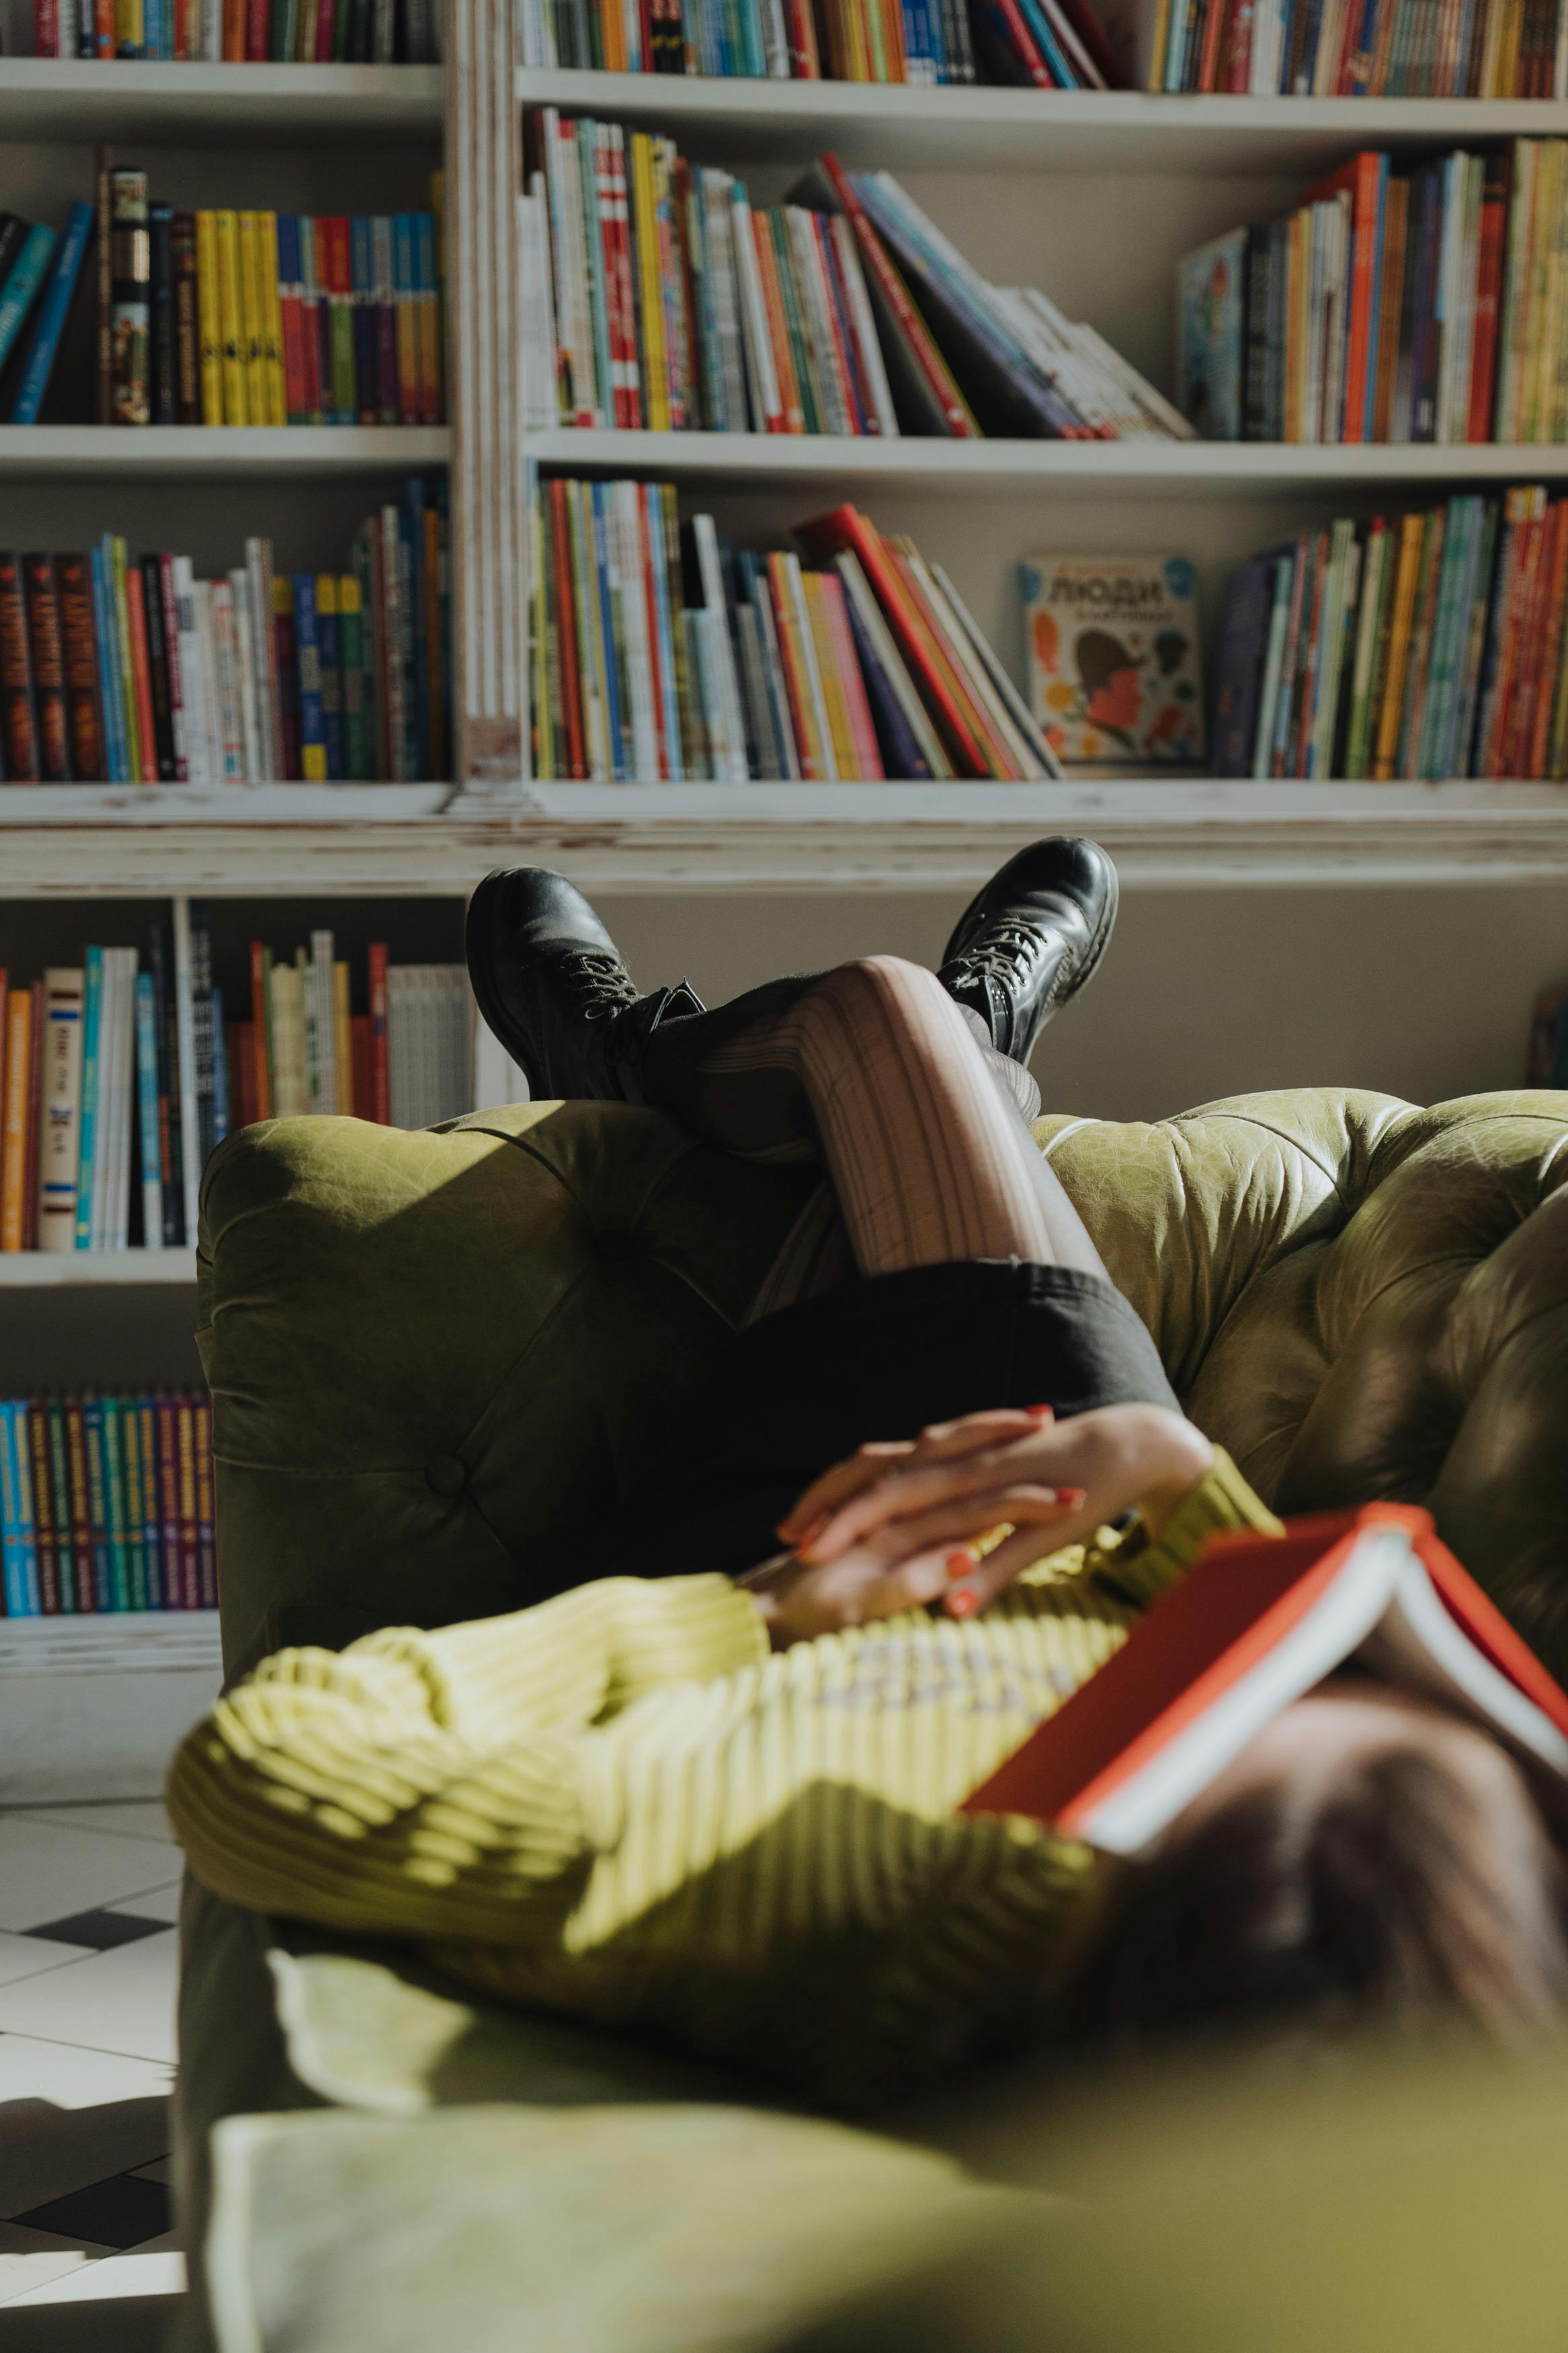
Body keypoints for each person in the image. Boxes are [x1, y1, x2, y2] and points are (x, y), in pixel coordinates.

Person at [167, 842, 1568, 2106]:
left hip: (772, 1543)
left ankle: (643, 1058)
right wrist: (1181, 1489)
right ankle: (971, 1051)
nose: (1235, 1685)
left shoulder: (774, 1878)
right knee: (901, 1051)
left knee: (879, 1017)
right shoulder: (1398, 1929)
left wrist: (755, 1614)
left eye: (1224, 1714)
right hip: (1076, 1481)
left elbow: (258, 1771)